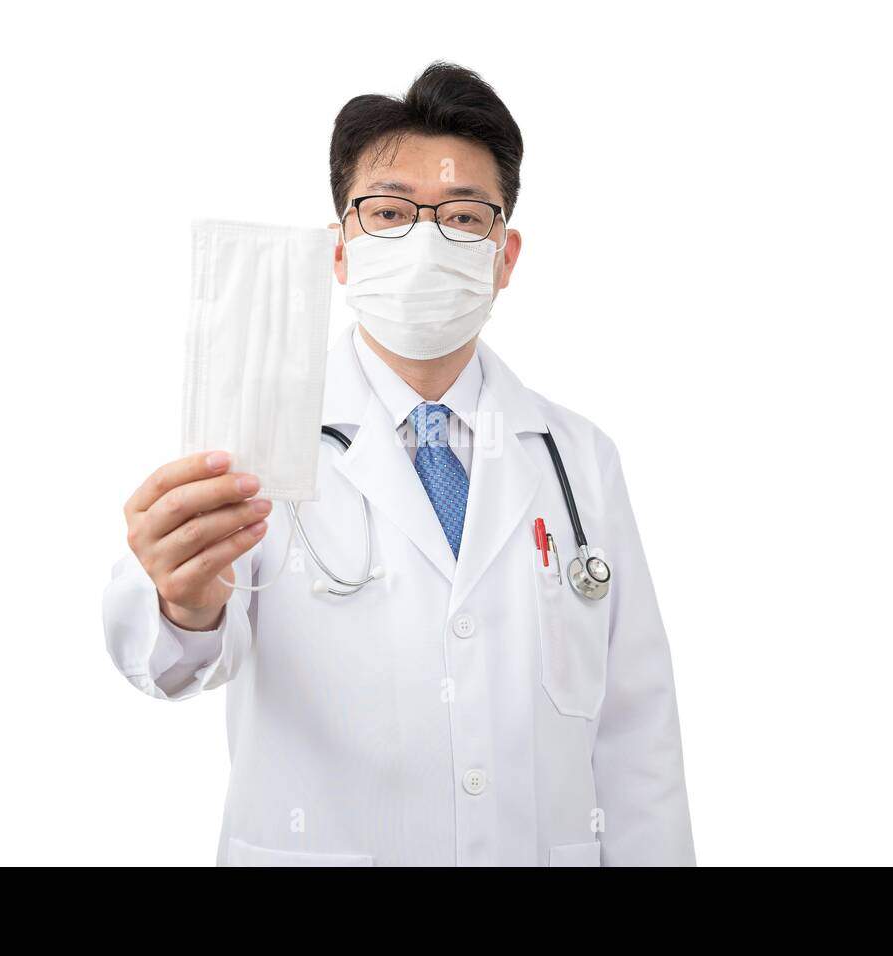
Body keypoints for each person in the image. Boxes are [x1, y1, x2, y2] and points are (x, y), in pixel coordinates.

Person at [104, 62, 696, 867]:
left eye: (460, 216)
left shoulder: (579, 460)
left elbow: (639, 743)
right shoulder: (251, 445)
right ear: (340, 252)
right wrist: (181, 604)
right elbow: (171, 665)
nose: (423, 241)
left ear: (505, 255)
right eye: (388, 213)